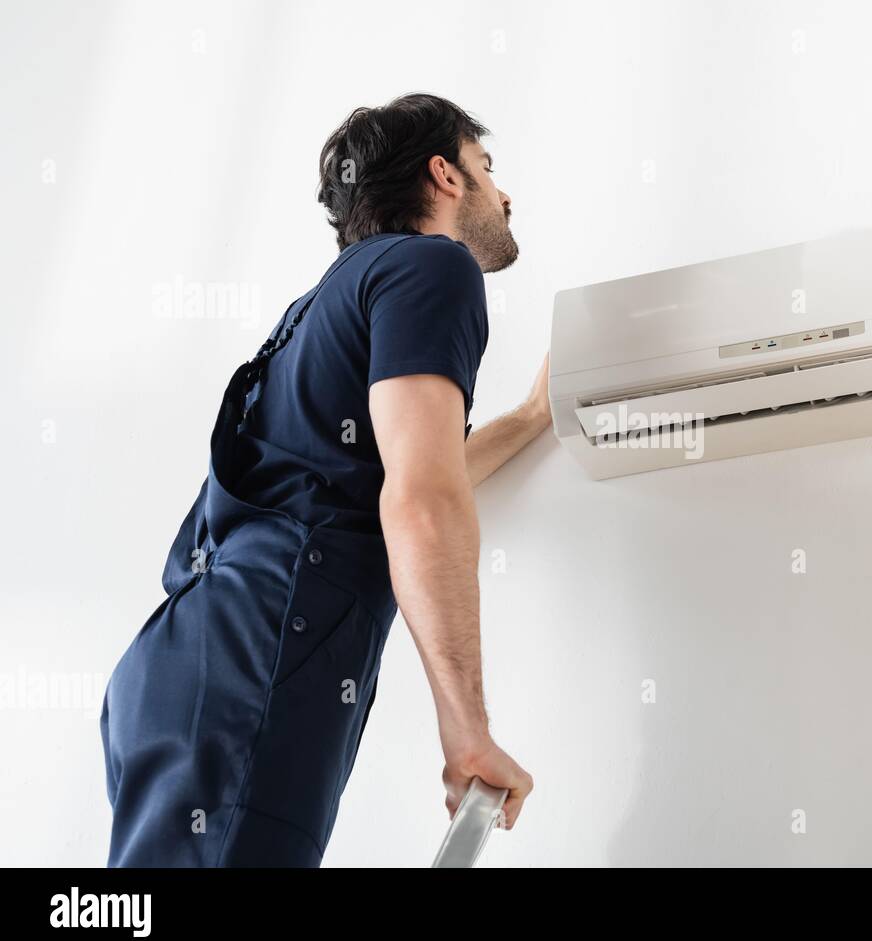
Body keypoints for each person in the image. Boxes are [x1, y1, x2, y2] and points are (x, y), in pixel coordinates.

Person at [99, 93, 542, 866]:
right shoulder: (431, 265)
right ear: (444, 174)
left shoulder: (321, 304)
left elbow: (397, 469)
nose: (504, 194)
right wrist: (466, 727)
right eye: (486, 167)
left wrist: (533, 417)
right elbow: (421, 496)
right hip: (263, 655)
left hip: (178, 668)